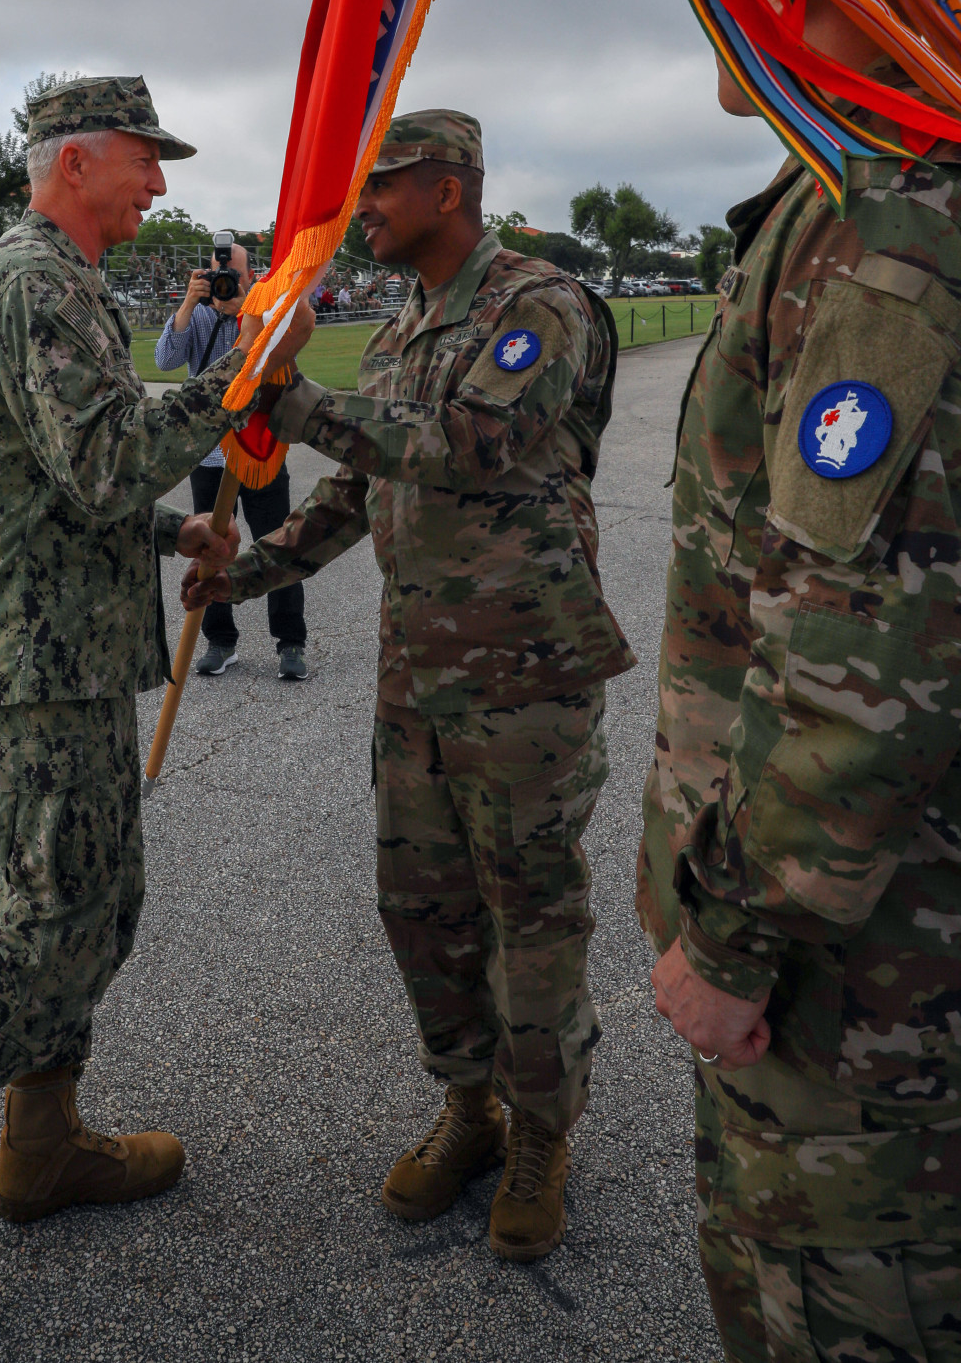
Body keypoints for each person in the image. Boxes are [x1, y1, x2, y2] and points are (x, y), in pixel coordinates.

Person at [183, 110, 634, 1260]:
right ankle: (468, 1107)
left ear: (447, 190)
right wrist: (251, 573)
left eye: (376, 189)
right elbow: (363, 488)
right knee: (419, 905)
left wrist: (289, 400)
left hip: (524, 668)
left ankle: (541, 1135)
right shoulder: (401, 324)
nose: (358, 211)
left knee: (525, 910)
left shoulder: (537, 303)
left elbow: (468, 444)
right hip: (416, 666)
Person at [639, 0, 961, 1360]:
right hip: (873, 958)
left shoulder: (888, 227)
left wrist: (735, 942)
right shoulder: (851, 196)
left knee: (830, 1309)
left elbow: (863, 661)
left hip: (861, 993)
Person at [0, 76, 314, 1223]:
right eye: (145, 158)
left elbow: (39, 479)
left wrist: (171, 526)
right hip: (35, 668)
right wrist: (235, 379)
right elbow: (98, 458)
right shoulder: (35, 280)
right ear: (73, 161)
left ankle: (40, 1146)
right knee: (56, 915)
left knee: (97, 904)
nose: (159, 182)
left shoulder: (58, 278)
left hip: (59, 657)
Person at [154, 237, 309, 680]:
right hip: (210, 455)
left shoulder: (265, 310)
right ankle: (221, 641)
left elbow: (286, 356)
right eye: (218, 276)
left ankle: (290, 642)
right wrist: (188, 303)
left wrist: (246, 310)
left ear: (250, 275)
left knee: (277, 544)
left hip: (258, 450)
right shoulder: (198, 313)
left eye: (235, 277)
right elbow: (165, 361)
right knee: (210, 549)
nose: (225, 283)